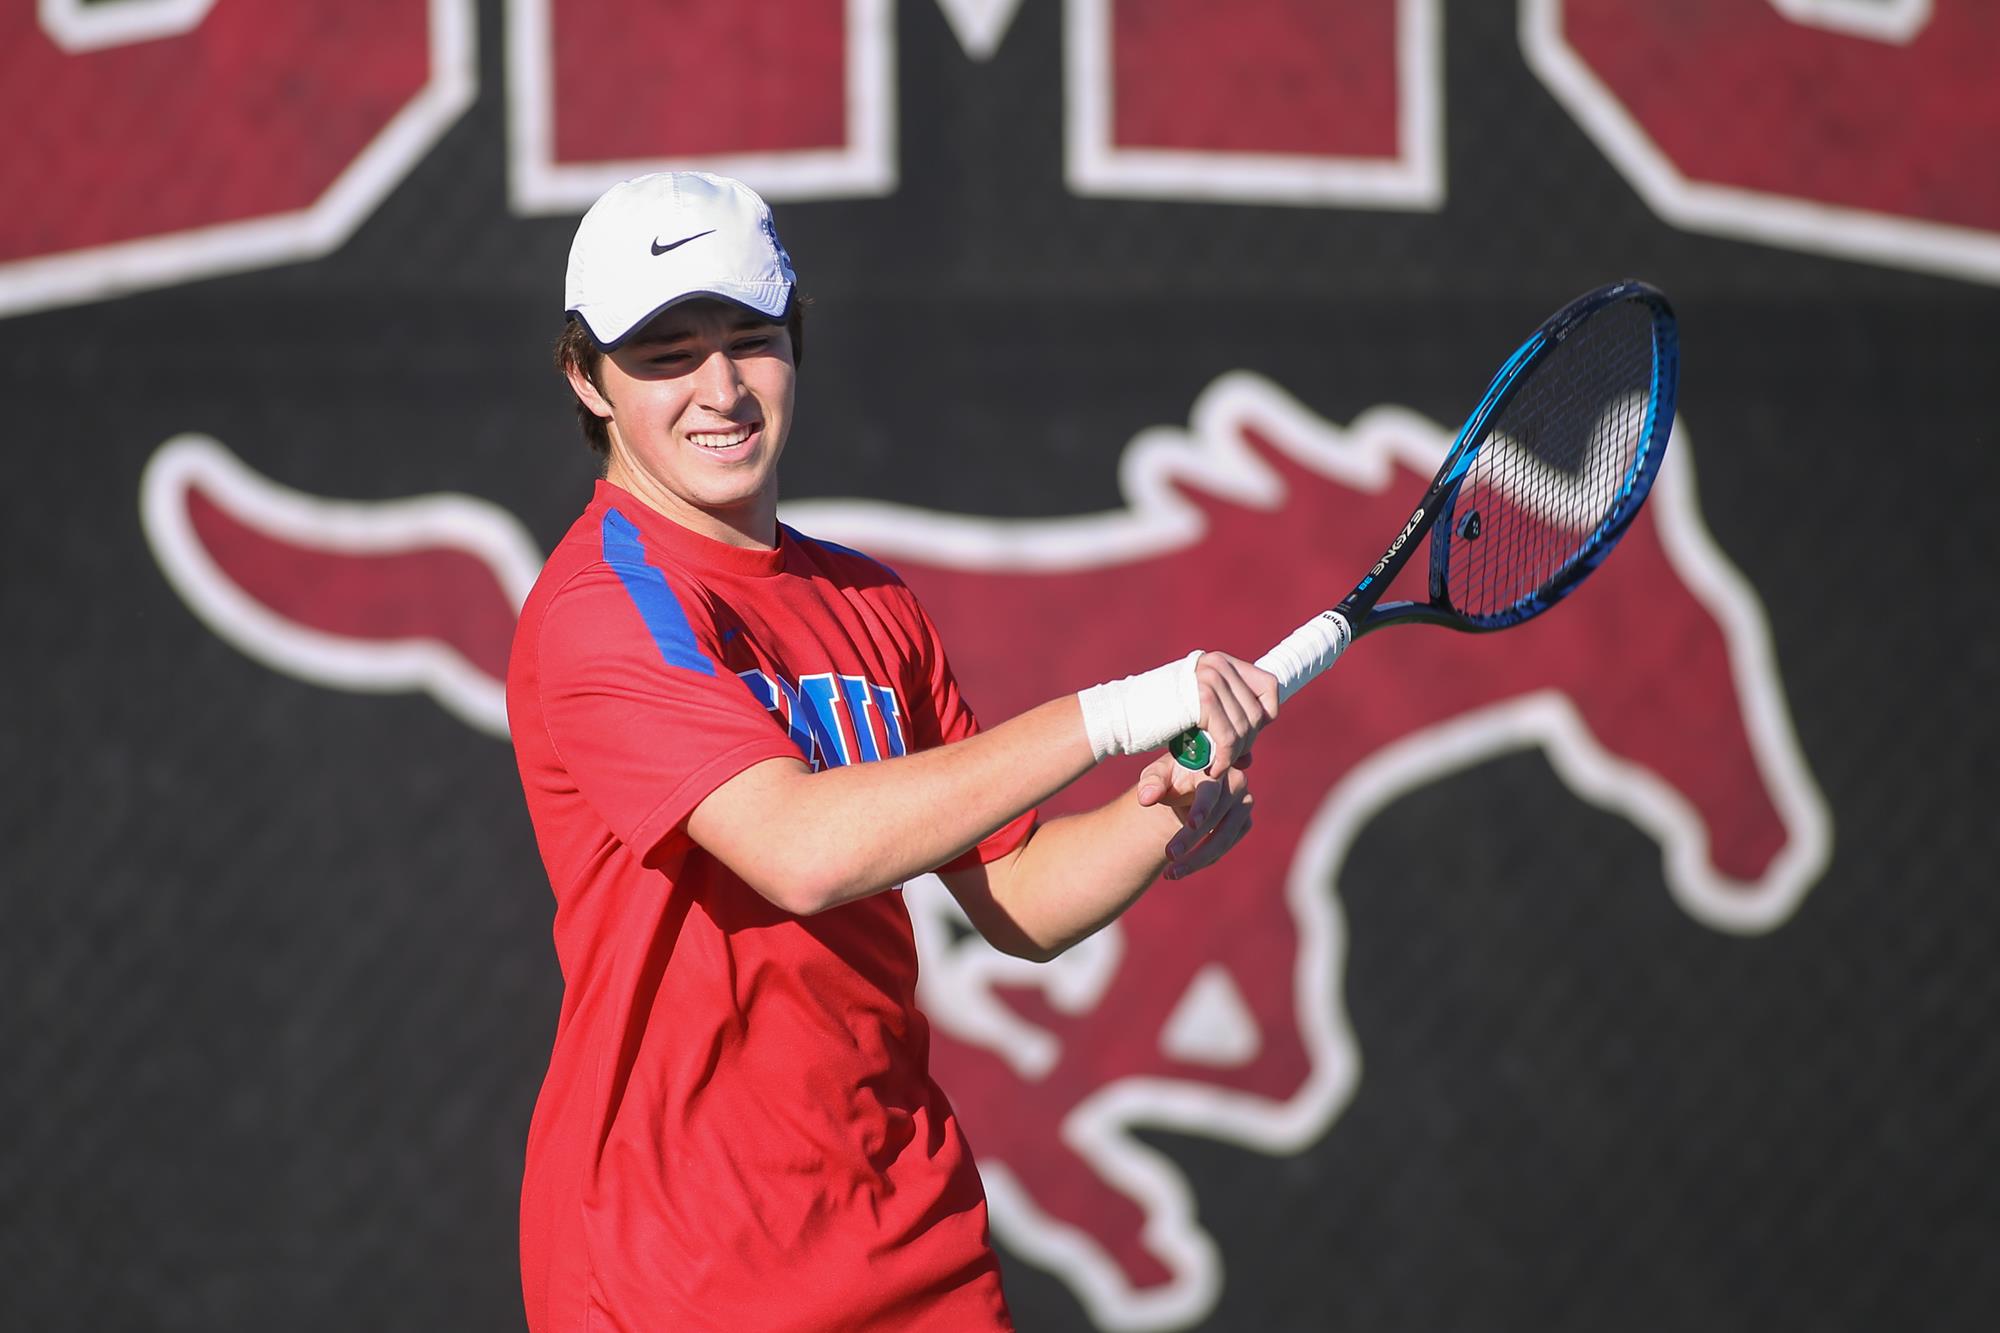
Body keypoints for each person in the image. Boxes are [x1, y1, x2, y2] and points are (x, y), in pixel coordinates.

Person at [506, 170, 1279, 1332]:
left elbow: (1014, 896)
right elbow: (798, 850)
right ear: (586, 377)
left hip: (911, 1251)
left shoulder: (870, 604)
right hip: (674, 1279)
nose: (719, 388)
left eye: (748, 340)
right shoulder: (602, 606)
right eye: (665, 352)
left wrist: (1158, 814)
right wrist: (1115, 712)